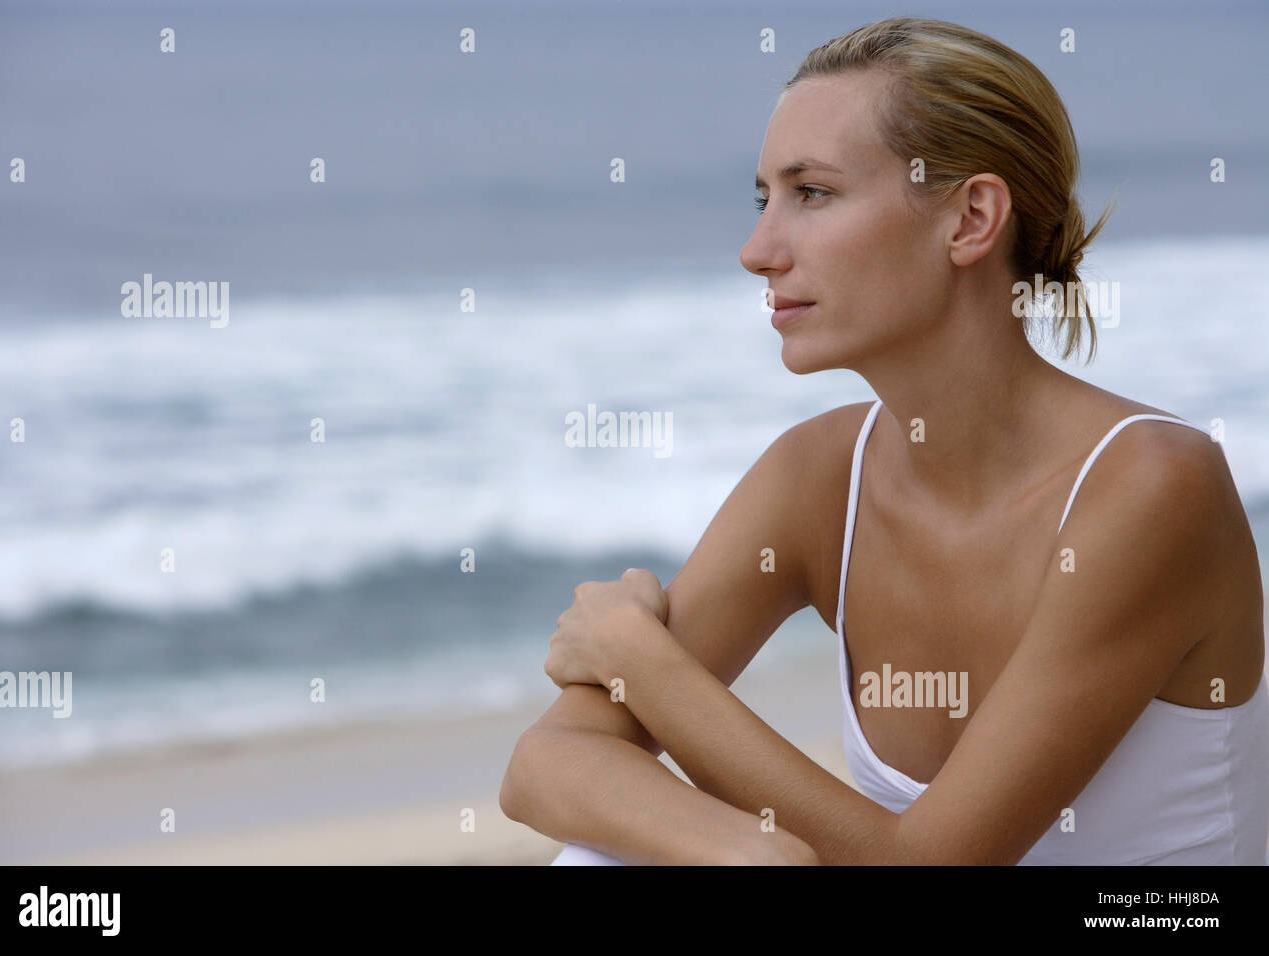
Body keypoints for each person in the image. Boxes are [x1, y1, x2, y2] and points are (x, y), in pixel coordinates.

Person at [499, 16, 1268, 865]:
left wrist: (641, 659)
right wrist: (750, 854)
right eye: (764, 199)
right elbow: (544, 762)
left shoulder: (1153, 487)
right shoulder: (820, 475)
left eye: (812, 194)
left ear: (971, 219)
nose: (758, 251)